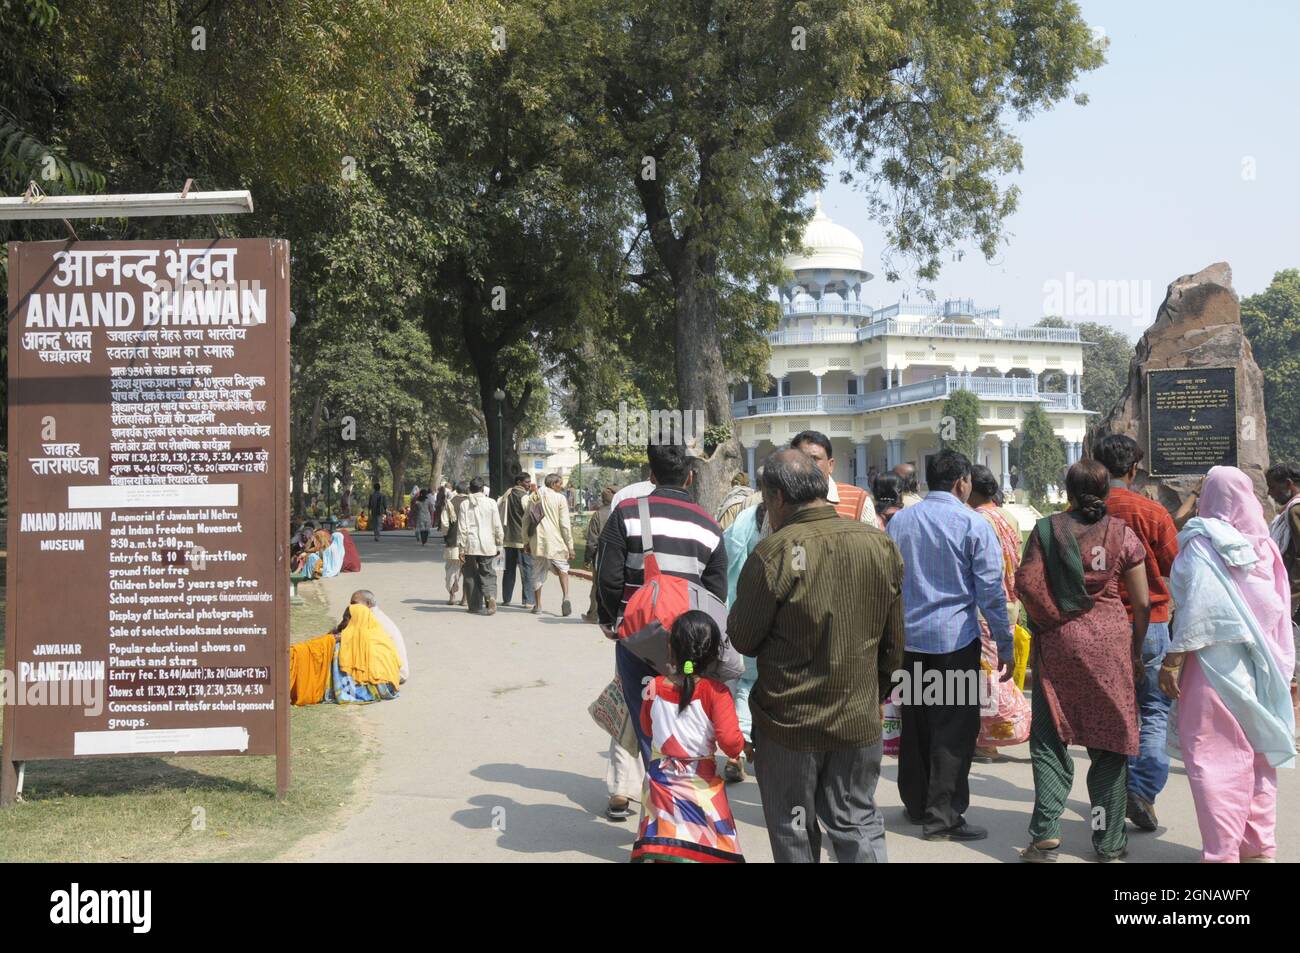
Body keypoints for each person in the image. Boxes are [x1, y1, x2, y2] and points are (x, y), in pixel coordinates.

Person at [728, 448, 904, 863]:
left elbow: (743, 638)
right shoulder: (879, 544)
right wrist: (873, 696)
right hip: (857, 718)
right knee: (856, 820)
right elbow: (894, 645)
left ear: (775, 497)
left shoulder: (774, 553)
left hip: (789, 723)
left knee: (793, 828)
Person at [1015, 459, 1150, 862]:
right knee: (1108, 746)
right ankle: (1107, 842)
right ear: (1106, 491)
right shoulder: (1121, 534)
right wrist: (1137, 651)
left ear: (1068, 492)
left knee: (1049, 738)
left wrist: (1052, 619)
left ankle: (1045, 835)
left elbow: (1027, 582)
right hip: (1110, 646)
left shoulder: (1046, 531)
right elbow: (1142, 602)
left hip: (1058, 644)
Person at [1162, 466, 1296, 863]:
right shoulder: (1266, 545)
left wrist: (1173, 660)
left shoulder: (1203, 543)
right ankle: (1258, 847)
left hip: (1212, 667)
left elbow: (1200, 607)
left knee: (1214, 762)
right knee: (1257, 756)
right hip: (1261, 666)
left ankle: (1222, 854)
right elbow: (1279, 609)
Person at [596, 439, 728, 822]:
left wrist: (611, 619)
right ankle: (684, 807)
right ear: (689, 476)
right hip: (687, 652)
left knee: (646, 720)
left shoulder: (627, 513)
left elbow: (608, 577)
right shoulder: (708, 525)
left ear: (651, 476)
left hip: (638, 642)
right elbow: (716, 594)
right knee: (683, 709)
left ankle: (661, 814)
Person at [886, 449, 1012, 841]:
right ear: (962, 482)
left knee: (918, 723)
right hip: (953, 644)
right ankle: (942, 815)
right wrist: (1004, 643)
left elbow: (888, 580)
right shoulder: (972, 524)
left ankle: (918, 803)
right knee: (953, 728)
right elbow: (990, 590)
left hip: (910, 643)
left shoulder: (899, 523)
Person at [1092, 433, 1180, 833]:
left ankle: (1114, 795)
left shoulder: (1084, 513)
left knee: (1113, 714)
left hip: (1101, 625)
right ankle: (1142, 790)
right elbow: (1176, 565)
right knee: (1155, 711)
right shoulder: (1152, 512)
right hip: (1152, 622)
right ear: (1132, 469)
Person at [631, 610, 745, 863]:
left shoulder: (655, 686)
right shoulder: (717, 692)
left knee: (666, 851)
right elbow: (730, 741)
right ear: (715, 652)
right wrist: (742, 747)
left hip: (660, 786)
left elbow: (647, 728)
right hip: (701, 787)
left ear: (671, 649)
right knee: (711, 851)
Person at [967, 465, 1030, 762]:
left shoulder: (976, 521)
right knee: (994, 674)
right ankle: (990, 734)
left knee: (985, 677)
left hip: (985, 606)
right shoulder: (1009, 517)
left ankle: (989, 737)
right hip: (1011, 603)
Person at [289, 603, 402, 706]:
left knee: (339, 650)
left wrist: (332, 636)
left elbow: (315, 648)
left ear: (354, 619)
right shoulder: (381, 636)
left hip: (364, 691)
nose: (343, 623)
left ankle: (335, 690)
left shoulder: (347, 639)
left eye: (346, 619)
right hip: (389, 688)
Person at [789, 431, 878, 526]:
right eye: (800, 459)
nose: (807, 466)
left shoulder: (858, 500)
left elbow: (872, 539)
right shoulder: (783, 500)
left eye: (814, 459)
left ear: (830, 465)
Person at [525, 473, 576, 616]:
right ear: (553, 484)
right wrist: (570, 546)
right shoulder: (560, 498)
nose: (562, 486)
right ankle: (566, 596)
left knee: (537, 572)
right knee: (562, 569)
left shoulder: (534, 496)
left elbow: (526, 521)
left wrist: (526, 541)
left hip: (537, 541)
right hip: (556, 541)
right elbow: (565, 524)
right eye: (560, 483)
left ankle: (538, 605)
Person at [458, 477, 503, 615]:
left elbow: (462, 527)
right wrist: (499, 543)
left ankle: (474, 606)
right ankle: (490, 597)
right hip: (488, 544)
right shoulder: (491, 503)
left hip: (470, 545)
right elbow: (497, 525)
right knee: (488, 572)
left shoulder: (465, 504)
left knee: (470, 574)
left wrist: (461, 548)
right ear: (483, 489)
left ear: (470, 489)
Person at [349, 589, 410, 683]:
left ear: (368, 604)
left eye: (355, 603)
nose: (351, 607)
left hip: (395, 673)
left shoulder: (373, 619)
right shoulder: (370, 615)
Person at [499, 472, 535, 608]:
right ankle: (529, 601)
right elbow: (531, 516)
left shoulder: (506, 495)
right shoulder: (524, 497)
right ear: (519, 482)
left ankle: (506, 599)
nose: (529, 485)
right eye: (526, 482)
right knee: (527, 570)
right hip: (522, 540)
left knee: (508, 571)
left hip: (508, 539)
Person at [582, 486, 615, 623]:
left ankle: (593, 615)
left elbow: (592, 541)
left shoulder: (598, 515)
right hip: (619, 557)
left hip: (601, 558)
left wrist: (587, 558)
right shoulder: (622, 512)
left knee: (597, 586)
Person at [439, 481, 470, 605]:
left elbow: (445, 524)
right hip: (468, 543)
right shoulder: (471, 503)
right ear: (467, 490)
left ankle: (452, 596)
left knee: (451, 570)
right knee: (467, 571)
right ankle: (465, 599)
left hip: (453, 542)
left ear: (456, 490)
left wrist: (446, 535)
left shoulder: (450, 503)